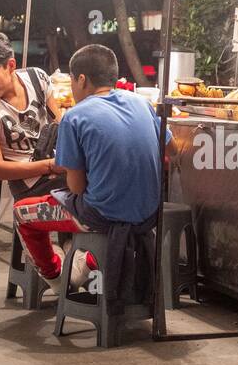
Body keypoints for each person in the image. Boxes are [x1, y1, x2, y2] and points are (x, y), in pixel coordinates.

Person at [13, 44, 169, 303]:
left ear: (81, 79)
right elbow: (171, 148)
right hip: (149, 213)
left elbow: (76, 188)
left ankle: (59, 280)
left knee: (22, 211)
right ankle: (88, 260)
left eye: (73, 80)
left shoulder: (74, 117)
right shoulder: (143, 104)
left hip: (105, 215)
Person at [0, 31, 86, 290]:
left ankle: (79, 252)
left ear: (10, 66)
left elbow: (57, 120)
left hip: (59, 166)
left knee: (99, 192)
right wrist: (51, 166)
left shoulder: (37, 78)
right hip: (27, 182)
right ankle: (62, 272)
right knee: (89, 204)